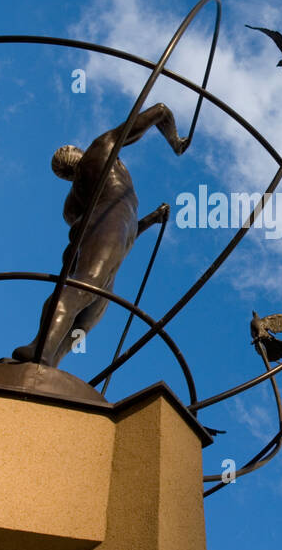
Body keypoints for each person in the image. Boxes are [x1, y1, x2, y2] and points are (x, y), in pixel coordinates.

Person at [11, 103, 188, 367]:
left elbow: (115, 234)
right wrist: (176, 142)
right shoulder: (102, 149)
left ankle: (49, 362)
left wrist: (150, 219)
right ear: (78, 153)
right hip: (112, 228)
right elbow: (160, 111)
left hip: (117, 233)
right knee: (85, 287)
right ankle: (40, 347)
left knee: (91, 311)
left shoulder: (76, 203)